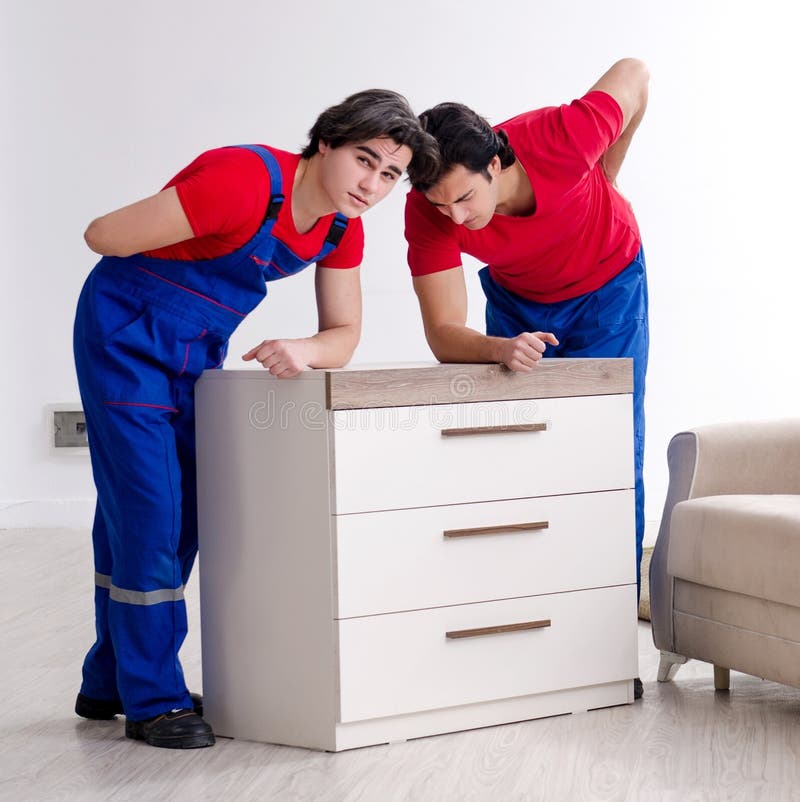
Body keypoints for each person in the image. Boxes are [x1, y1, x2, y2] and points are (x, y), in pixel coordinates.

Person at [73, 89, 439, 748]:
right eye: (365, 160)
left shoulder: (339, 228)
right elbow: (102, 236)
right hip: (124, 336)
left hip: (196, 352)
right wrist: (187, 224)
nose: (373, 185)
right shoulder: (244, 181)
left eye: (390, 174)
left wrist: (303, 348)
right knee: (154, 513)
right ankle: (153, 701)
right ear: (325, 142)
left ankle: (111, 680)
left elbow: (344, 335)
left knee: (166, 516)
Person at [404, 59, 649, 698]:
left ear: (495, 164)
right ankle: (524, 623)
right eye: (438, 203)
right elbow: (442, 333)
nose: (453, 219)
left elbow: (635, 73)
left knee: (611, 451)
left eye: (464, 198)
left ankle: (606, 643)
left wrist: (606, 179)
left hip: (608, 286)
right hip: (517, 305)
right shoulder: (427, 212)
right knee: (519, 451)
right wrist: (498, 349)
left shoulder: (561, 139)